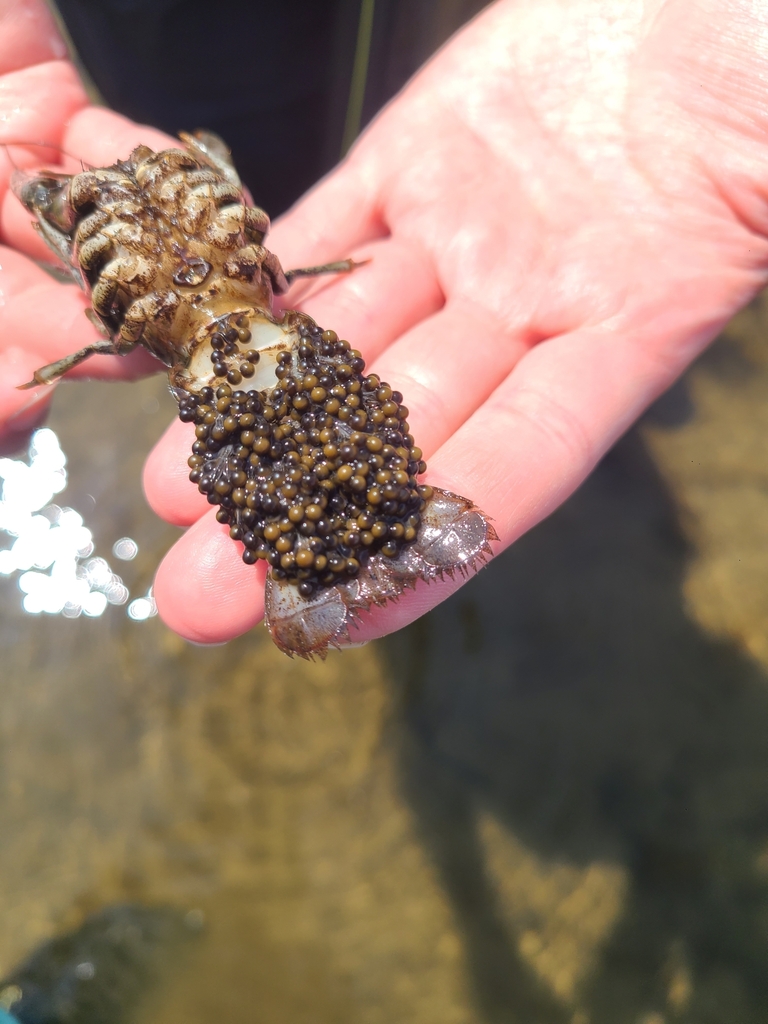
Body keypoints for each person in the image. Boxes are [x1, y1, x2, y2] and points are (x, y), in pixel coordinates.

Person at [0, 0, 764, 646]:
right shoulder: (211, 209)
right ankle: (371, 540)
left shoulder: (120, 253)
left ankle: (351, 552)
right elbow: (219, 174)